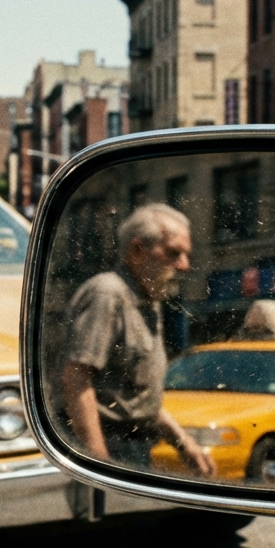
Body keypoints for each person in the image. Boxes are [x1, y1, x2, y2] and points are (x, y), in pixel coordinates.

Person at [59, 203, 215, 476]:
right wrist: (99, 467)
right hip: (110, 446)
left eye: (186, 255)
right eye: (173, 253)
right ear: (137, 251)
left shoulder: (149, 300)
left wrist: (185, 444)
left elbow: (140, 401)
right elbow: (76, 379)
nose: (184, 266)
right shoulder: (107, 294)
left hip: (134, 447)